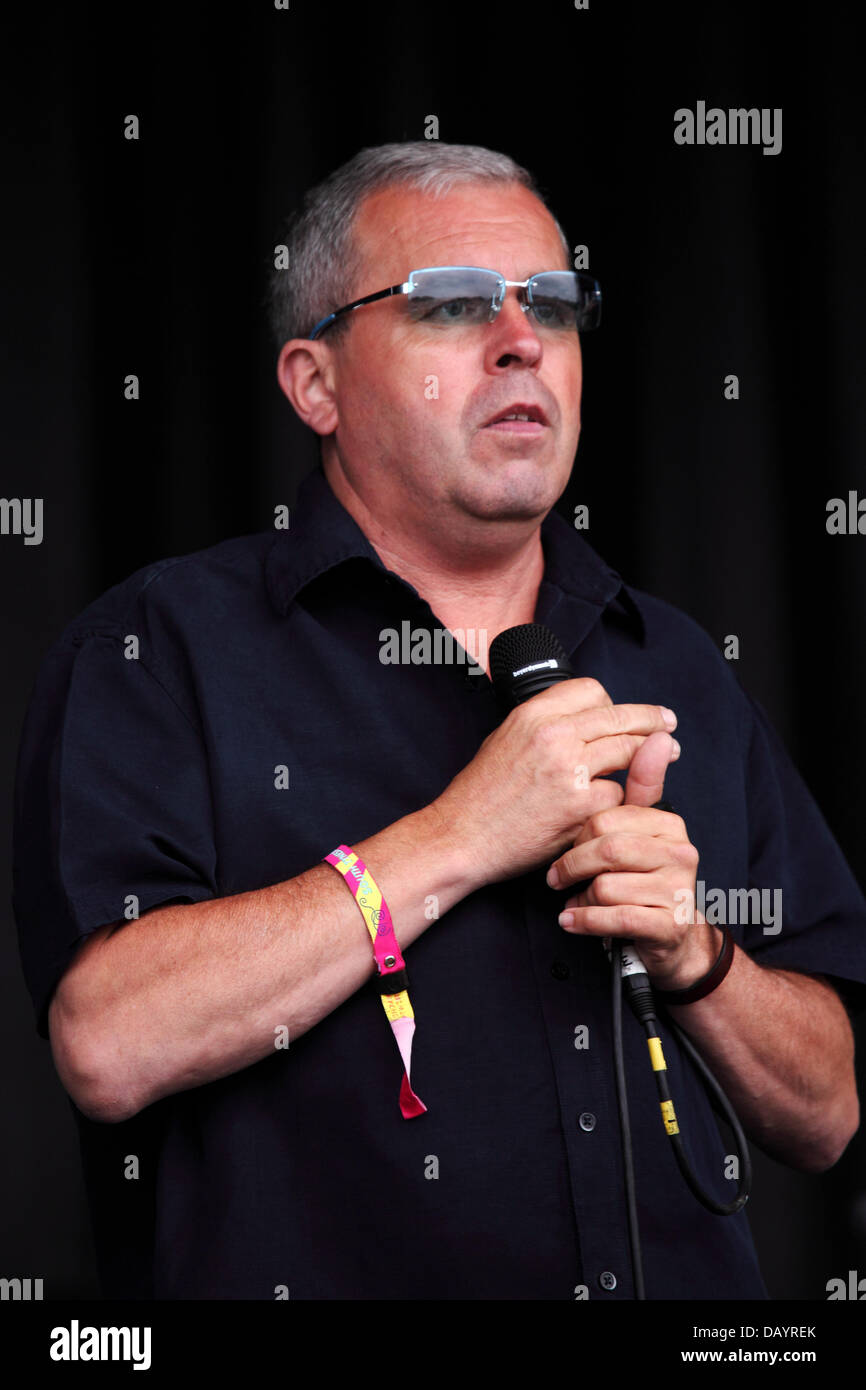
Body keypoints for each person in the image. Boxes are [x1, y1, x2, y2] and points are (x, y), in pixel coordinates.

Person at [13, 141, 866, 1301]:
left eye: (554, 306)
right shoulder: (162, 645)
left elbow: (826, 1114)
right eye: (452, 303)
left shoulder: (674, 661)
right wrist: (461, 834)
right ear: (314, 382)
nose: (522, 340)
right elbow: (107, 1045)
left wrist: (693, 951)